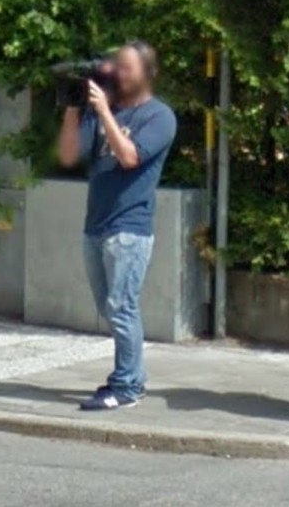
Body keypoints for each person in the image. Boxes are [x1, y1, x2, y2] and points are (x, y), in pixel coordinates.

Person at [57, 41, 177, 411]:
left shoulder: (159, 117)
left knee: (122, 306)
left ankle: (127, 387)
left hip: (130, 227)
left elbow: (128, 157)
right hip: (95, 224)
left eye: (127, 68)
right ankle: (127, 376)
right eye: (116, 67)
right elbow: (68, 155)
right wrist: (72, 107)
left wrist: (105, 111)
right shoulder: (97, 112)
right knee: (110, 309)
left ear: (147, 73)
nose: (118, 74)